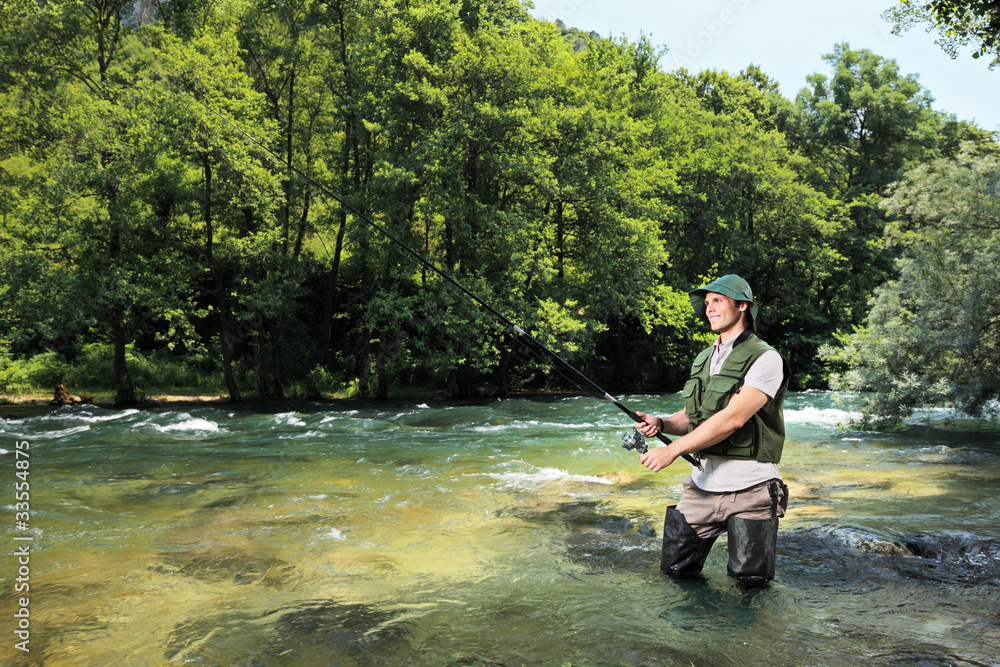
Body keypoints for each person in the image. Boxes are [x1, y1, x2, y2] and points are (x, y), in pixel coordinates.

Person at [634, 274, 790, 589]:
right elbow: (693, 417)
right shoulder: (705, 358)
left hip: (752, 490)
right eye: (706, 304)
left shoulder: (766, 358)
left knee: (751, 588)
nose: (709, 309)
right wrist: (663, 424)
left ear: (742, 305)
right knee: (675, 577)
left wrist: (671, 450)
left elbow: (733, 418)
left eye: (717, 300)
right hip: (701, 489)